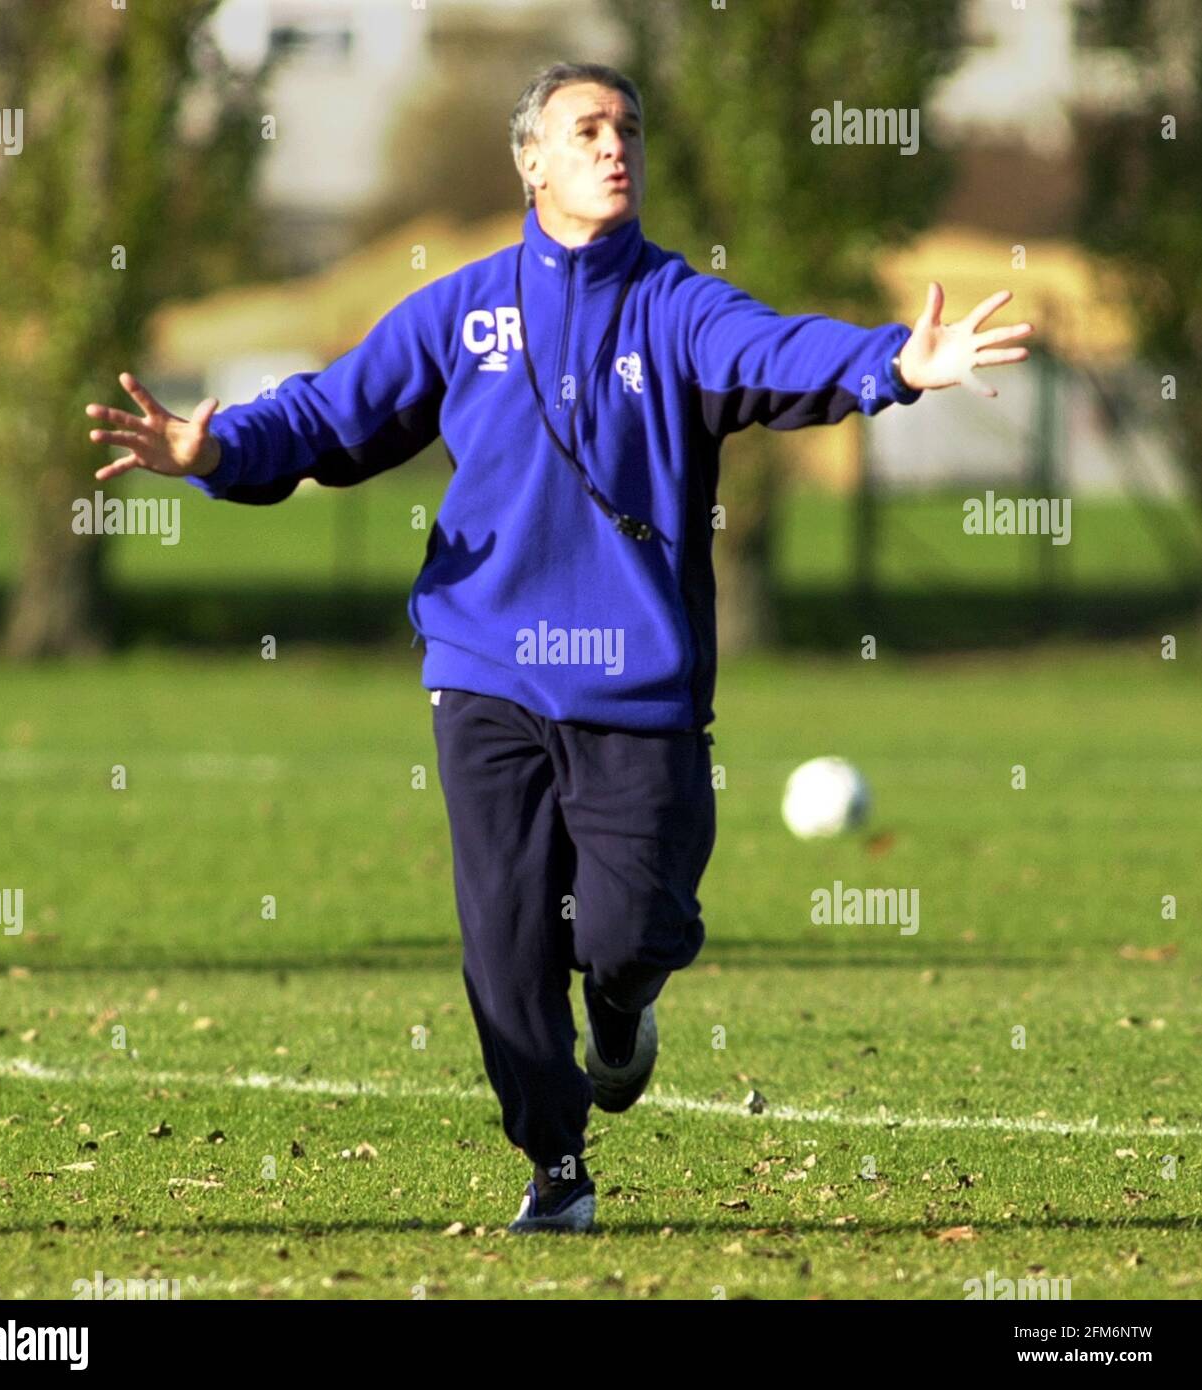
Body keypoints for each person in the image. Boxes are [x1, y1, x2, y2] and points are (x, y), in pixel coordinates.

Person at [85, 61, 1032, 1235]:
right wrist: (214, 448)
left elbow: (778, 352)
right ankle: (556, 1166)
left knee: (633, 931)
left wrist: (889, 365)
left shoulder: (676, 303)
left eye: (626, 126)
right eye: (586, 128)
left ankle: (624, 1007)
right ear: (529, 159)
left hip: (637, 689)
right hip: (481, 671)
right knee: (504, 943)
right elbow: (331, 414)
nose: (613, 145)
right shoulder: (458, 307)